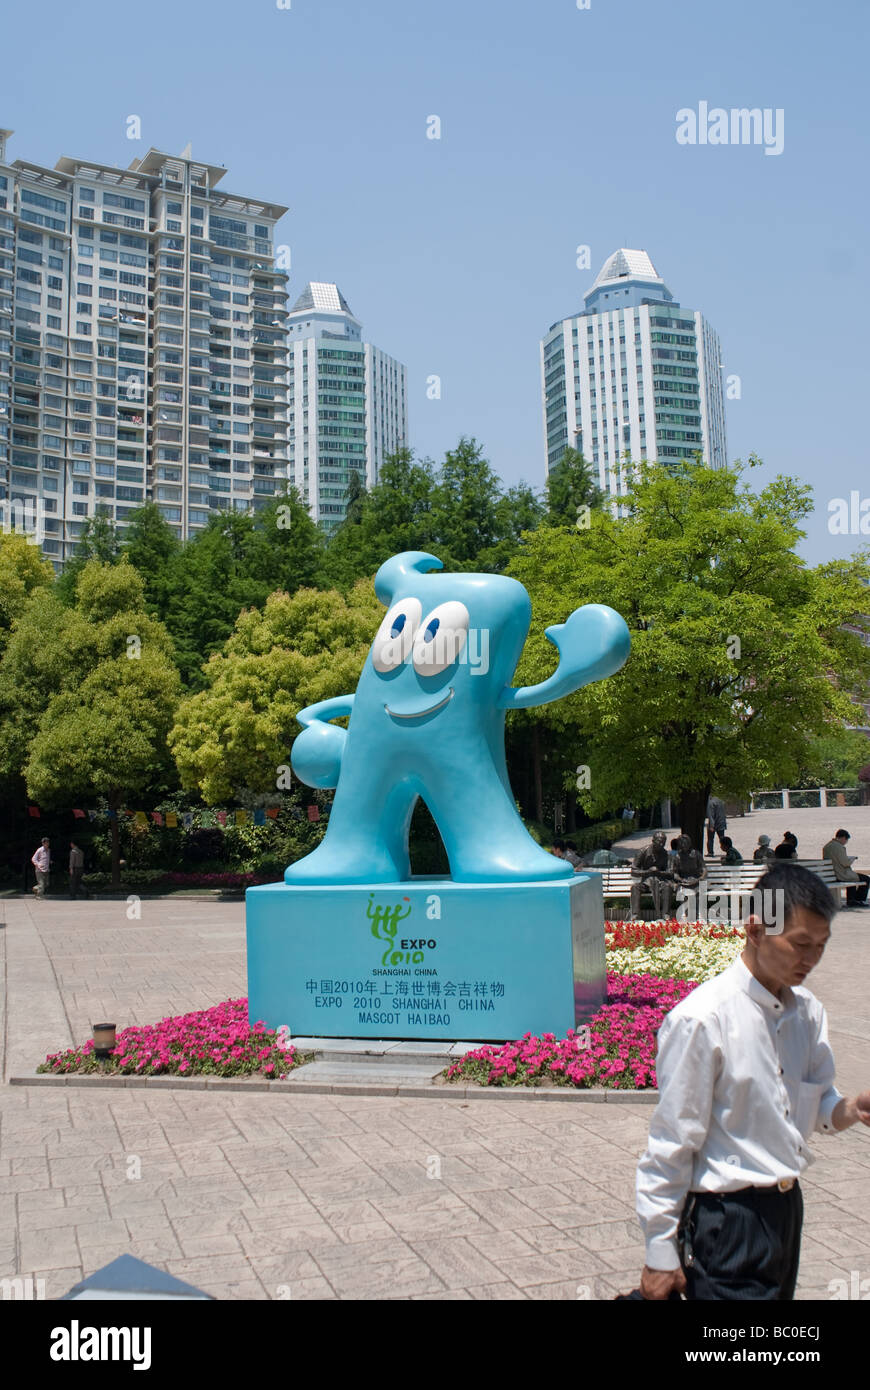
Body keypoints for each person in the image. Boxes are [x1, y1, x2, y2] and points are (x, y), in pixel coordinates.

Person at [636, 862, 870, 1300]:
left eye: (821, 946)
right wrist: (659, 1251)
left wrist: (853, 1108)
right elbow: (672, 1141)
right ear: (756, 928)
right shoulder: (702, 1020)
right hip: (728, 1220)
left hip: (787, 1209)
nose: (811, 960)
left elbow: (818, 1108)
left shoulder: (808, 1013)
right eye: (800, 944)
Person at [822, 828, 869, 909]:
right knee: (866, 879)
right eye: (846, 840)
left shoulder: (827, 846)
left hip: (832, 874)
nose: (846, 842)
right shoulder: (839, 847)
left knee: (853, 879)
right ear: (843, 838)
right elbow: (845, 863)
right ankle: (858, 900)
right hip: (841, 874)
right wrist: (851, 859)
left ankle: (852, 900)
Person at [630, 831, 673, 919]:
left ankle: (666, 914)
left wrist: (659, 873)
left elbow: (670, 873)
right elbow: (634, 871)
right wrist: (648, 871)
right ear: (653, 840)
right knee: (635, 887)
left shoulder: (666, 854)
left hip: (660, 882)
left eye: (663, 842)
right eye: (659, 841)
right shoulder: (643, 852)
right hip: (645, 882)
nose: (661, 844)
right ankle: (635, 915)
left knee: (668, 887)